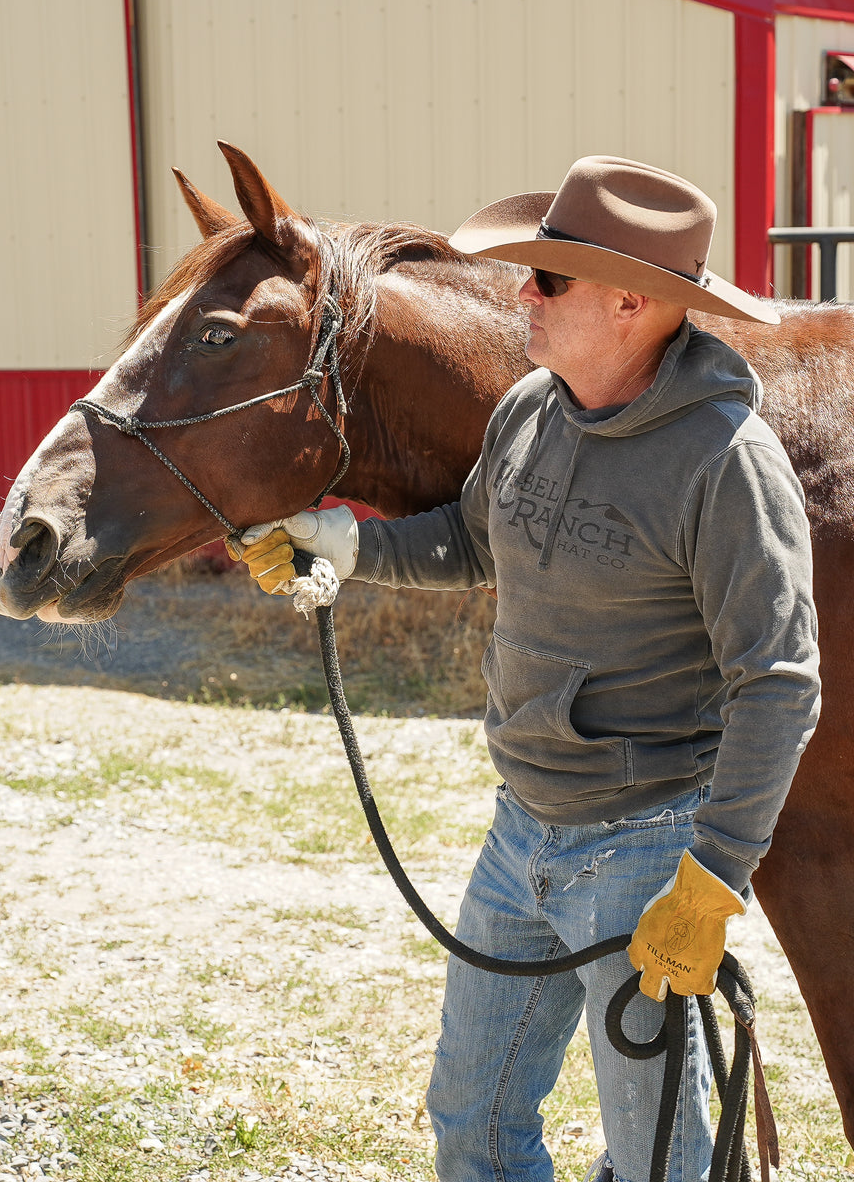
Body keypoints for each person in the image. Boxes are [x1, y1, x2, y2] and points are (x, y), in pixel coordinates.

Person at [234, 156, 821, 1182]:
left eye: (550, 280)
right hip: (521, 834)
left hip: (646, 854)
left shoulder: (726, 460)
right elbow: (474, 542)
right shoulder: (529, 413)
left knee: (657, 1161)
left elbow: (779, 681)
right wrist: (347, 543)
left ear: (634, 303)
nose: (522, 294)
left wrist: (713, 880)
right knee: (472, 1120)